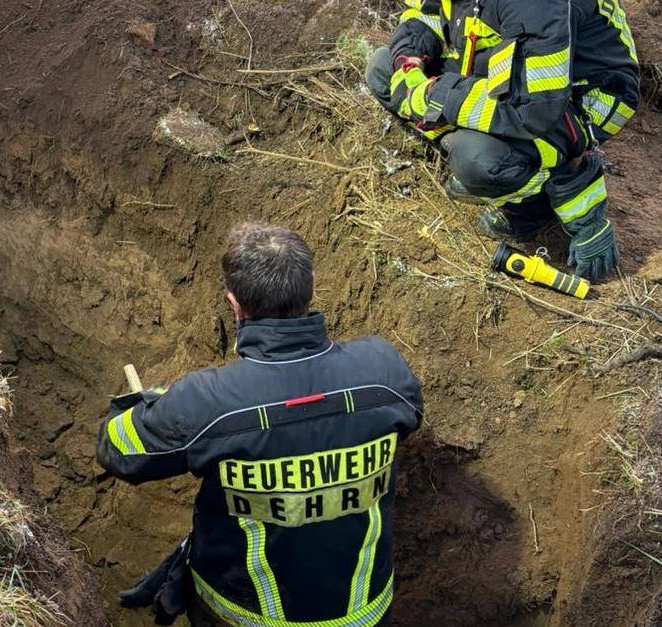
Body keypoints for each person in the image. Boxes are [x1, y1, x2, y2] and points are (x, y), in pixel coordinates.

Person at [97, 223, 423, 626]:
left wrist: (154, 403)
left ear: (234, 305)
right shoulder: (385, 373)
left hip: (240, 616)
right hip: (364, 616)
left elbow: (118, 449)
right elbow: (409, 415)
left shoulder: (206, 401)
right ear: (312, 286)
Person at [365, 0, 640, 281]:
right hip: (514, 67)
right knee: (383, 69)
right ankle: (488, 151)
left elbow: (533, 110)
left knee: (477, 158)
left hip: (579, 97)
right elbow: (428, 12)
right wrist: (409, 64)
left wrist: (433, 96)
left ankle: (535, 207)